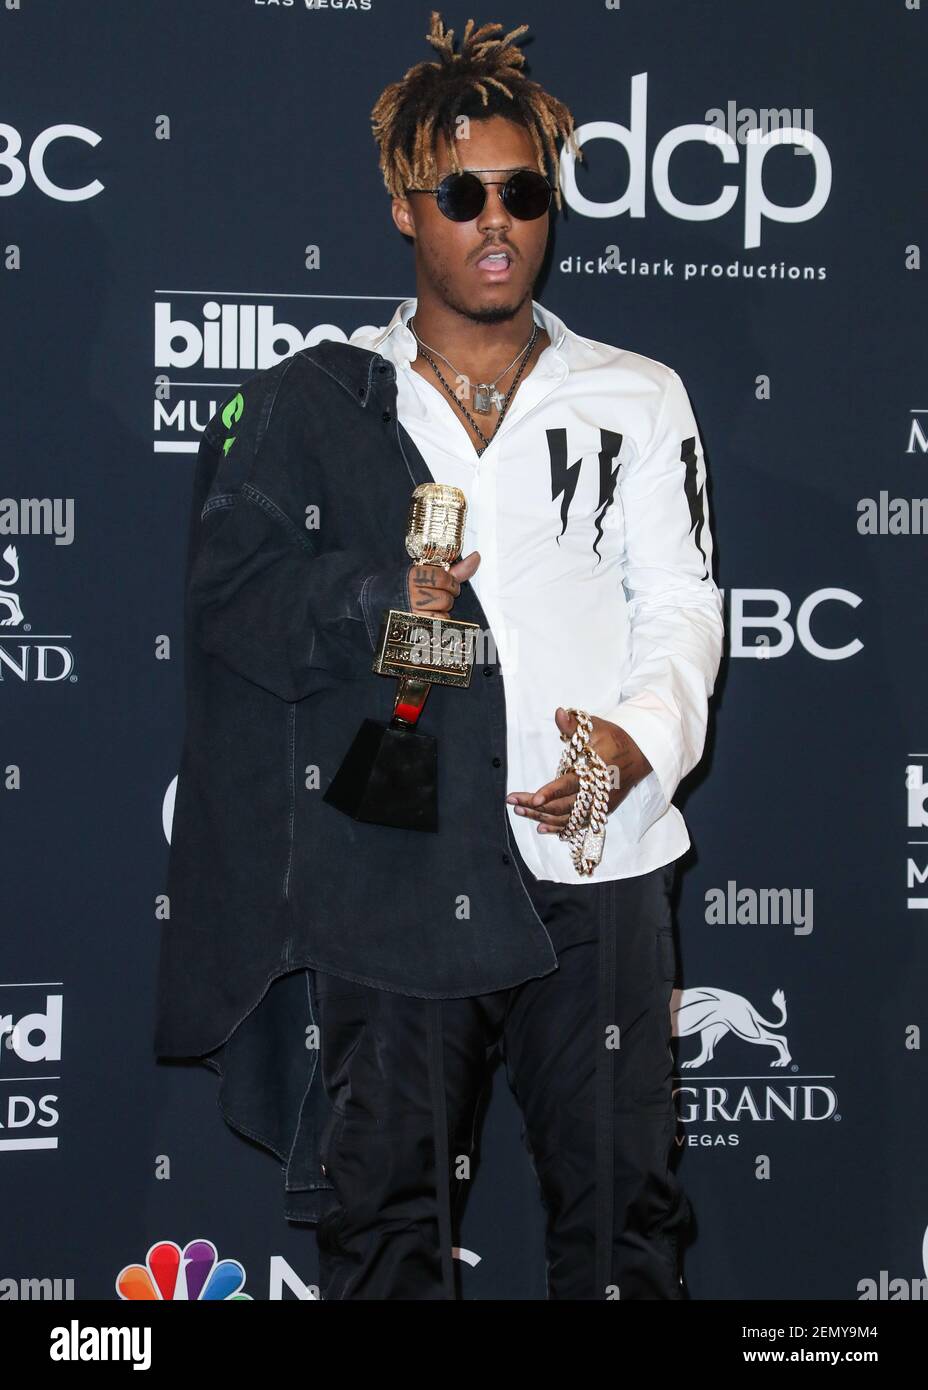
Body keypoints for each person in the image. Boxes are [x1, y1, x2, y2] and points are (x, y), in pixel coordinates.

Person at [154, 11, 724, 1301]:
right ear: (407, 206)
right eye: (461, 191)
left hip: (598, 859)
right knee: (385, 1230)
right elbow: (235, 599)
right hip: (396, 870)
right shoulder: (330, 399)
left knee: (624, 1224)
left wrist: (638, 742)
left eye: (522, 190)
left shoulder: (636, 393)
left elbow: (685, 603)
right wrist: (370, 592)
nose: (496, 218)